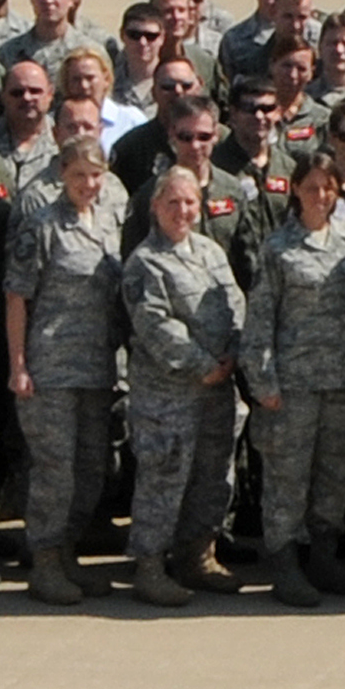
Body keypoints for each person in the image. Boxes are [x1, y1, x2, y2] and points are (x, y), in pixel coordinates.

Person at [244, 151, 345, 605]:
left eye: (328, 188)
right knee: (288, 477)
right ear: (296, 191)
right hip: (294, 384)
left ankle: (323, 556)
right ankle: (283, 562)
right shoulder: (278, 248)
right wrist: (263, 383)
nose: (320, 196)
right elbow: (260, 319)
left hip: (344, 380)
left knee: (335, 475)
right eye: (311, 188)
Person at [4, 129, 129, 606]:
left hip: (98, 369)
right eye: (78, 175)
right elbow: (16, 296)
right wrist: (18, 364)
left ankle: (69, 552)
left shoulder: (108, 222)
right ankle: (46, 562)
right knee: (55, 471)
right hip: (50, 369)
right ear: (62, 175)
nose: (88, 184)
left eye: (95, 175)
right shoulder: (42, 227)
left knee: (91, 470)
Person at [118, 161, 247, 605]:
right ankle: (151, 566)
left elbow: (235, 303)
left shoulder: (210, 252)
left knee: (214, 476)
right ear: (155, 207)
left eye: (190, 201)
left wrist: (233, 352)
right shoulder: (145, 263)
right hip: (168, 395)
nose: (182, 210)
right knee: (163, 479)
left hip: (218, 390)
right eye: (172, 202)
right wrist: (201, 364)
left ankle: (198, 556)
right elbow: (156, 327)